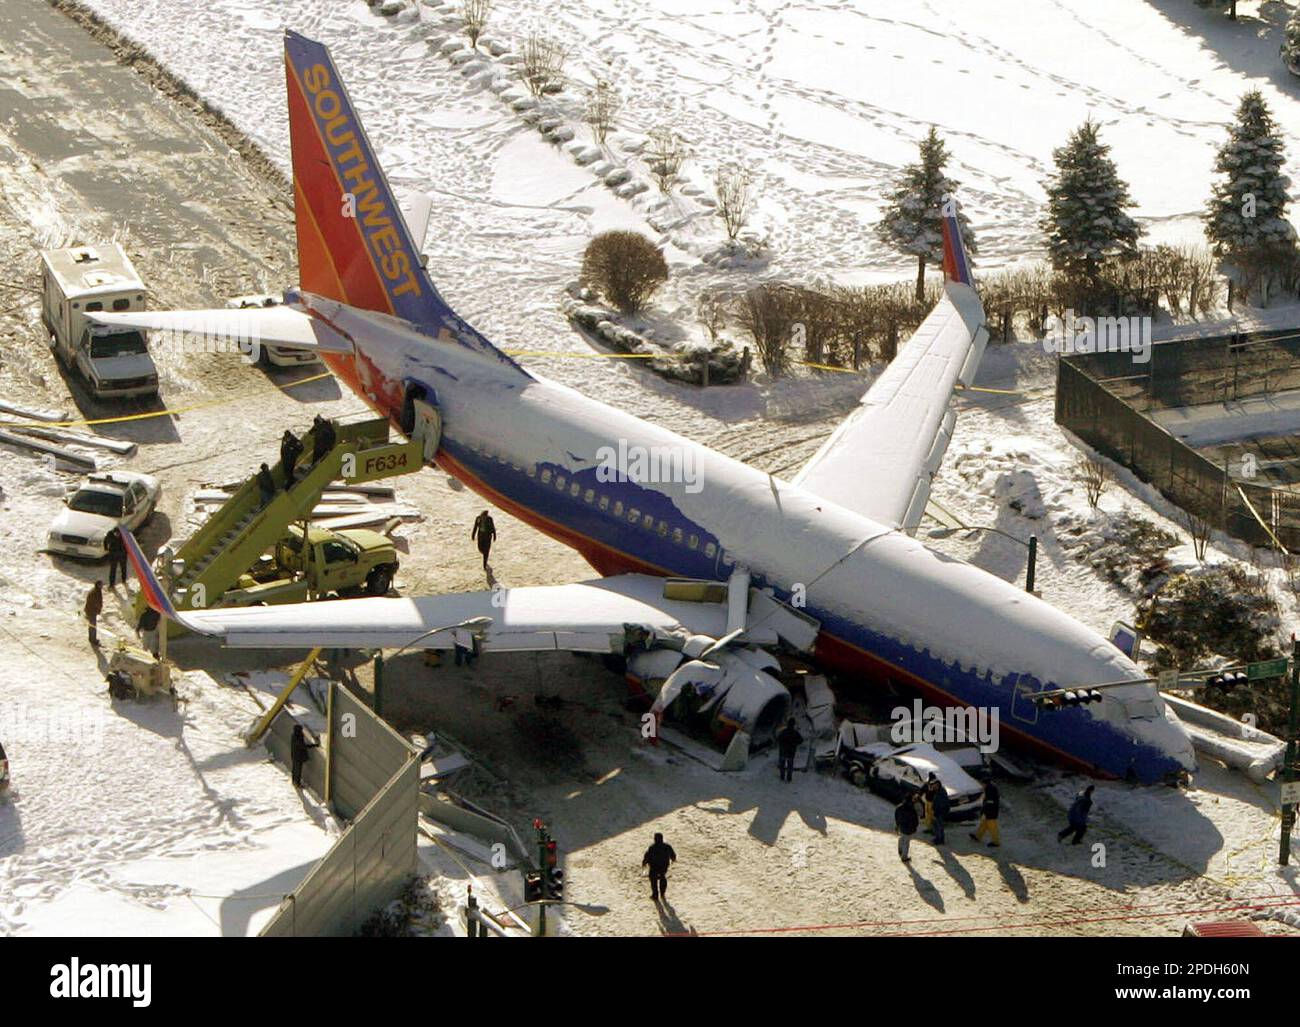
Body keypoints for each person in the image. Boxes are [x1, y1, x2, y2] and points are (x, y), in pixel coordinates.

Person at [641, 831, 676, 902]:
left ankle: (655, 895)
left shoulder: (652, 847)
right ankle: (662, 893)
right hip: (664, 866)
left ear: (655, 839)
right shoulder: (667, 846)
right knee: (663, 877)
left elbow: (647, 856)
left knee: (653, 881)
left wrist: (644, 863)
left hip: (654, 867)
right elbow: (673, 854)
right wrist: (673, 859)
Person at [970, 781, 1001, 847]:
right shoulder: (991, 789)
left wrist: (985, 811)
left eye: (982, 784)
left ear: (985, 784)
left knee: (992, 828)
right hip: (990, 812)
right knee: (983, 824)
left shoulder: (990, 792)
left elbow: (989, 804)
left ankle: (996, 842)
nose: (982, 785)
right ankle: (978, 836)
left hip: (990, 813)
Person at [290, 723, 319, 789]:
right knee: (298, 770)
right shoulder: (298, 737)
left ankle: (294, 782)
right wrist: (314, 745)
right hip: (298, 756)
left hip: (295, 755)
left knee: (295, 769)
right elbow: (302, 746)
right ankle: (297, 783)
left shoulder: (295, 736)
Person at [776, 717, 803, 783]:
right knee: (790, 765)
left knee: (782, 764)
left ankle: (782, 776)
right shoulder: (795, 733)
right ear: (793, 724)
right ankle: (789, 778)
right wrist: (795, 743)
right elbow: (801, 740)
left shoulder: (783, 732)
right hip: (791, 752)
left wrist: (782, 744)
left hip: (783, 751)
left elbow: (778, 739)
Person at [895, 794, 919, 863]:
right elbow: (915, 820)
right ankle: (904, 857)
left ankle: (900, 849)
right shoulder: (912, 809)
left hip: (902, 826)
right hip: (909, 828)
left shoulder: (899, 807)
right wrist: (915, 827)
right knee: (906, 842)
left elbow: (896, 817)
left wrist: (897, 825)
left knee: (902, 837)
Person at [928, 774, 950, 846]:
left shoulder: (941, 792)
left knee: (939, 826)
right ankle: (938, 838)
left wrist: (936, 812)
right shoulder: (937, 791)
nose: (933, 786)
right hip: (937, 811)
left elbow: (940, 804)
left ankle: (940, 839)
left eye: (934, 785)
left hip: (940, 812)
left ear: (937, 785)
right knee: (936, 826)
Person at [84, 580, 104, 649]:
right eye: (100, 585)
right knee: (93, 626)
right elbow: (95, 603)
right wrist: (97, 609)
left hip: (92, 611)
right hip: (91, 611)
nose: (102, 586)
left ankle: (91, 638)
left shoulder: (97, 591)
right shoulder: (94, 593)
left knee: (92, 625)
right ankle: (93, 640)